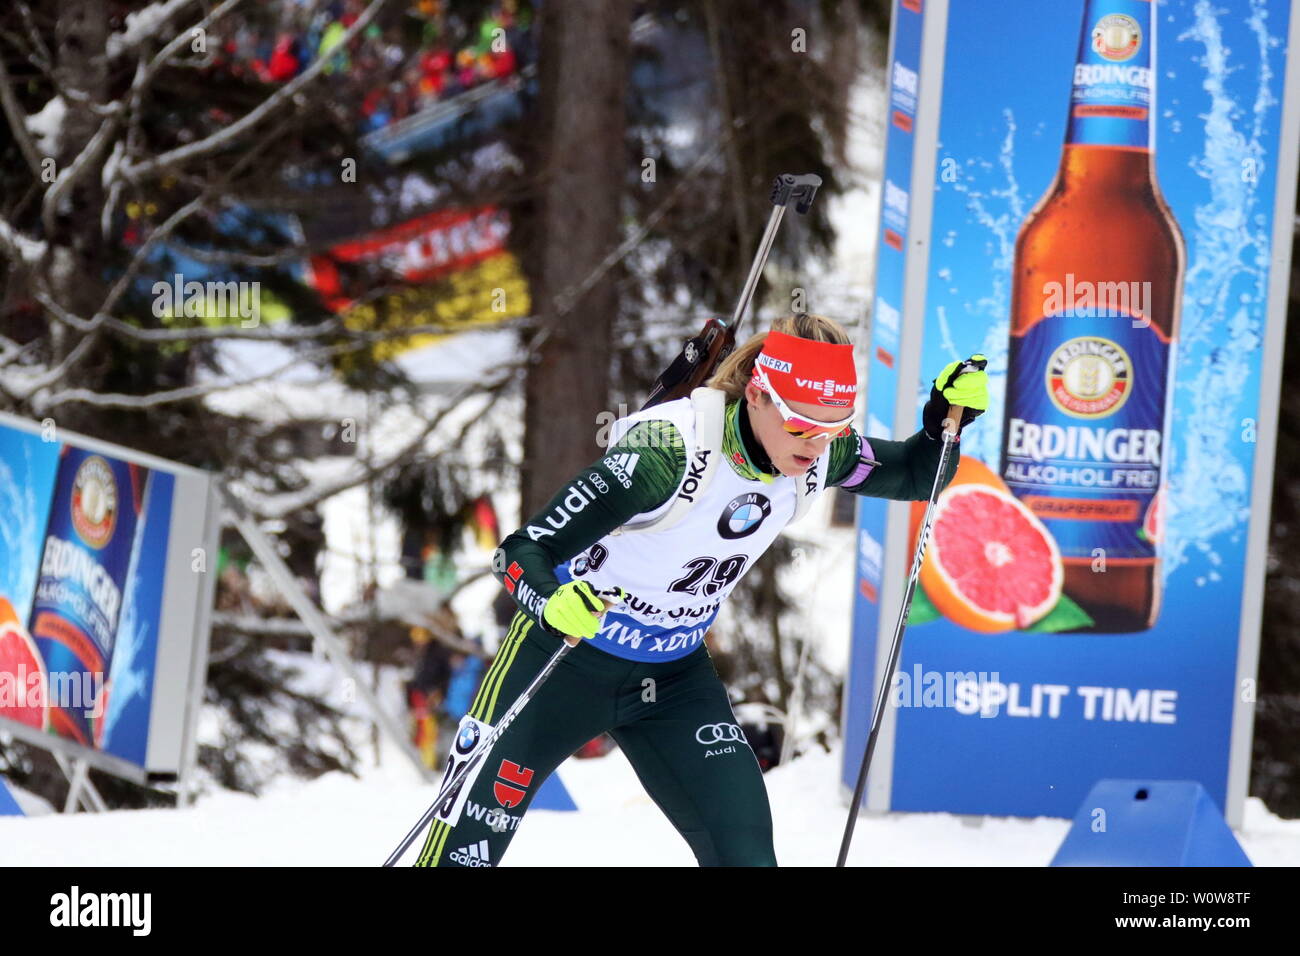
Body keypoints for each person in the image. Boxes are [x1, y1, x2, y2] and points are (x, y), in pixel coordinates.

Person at [414, 312, 989, 867]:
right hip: (561, 661)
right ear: (757, 394)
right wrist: (549, 602)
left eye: (833, 428)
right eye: (800, 425)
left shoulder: (817, 454)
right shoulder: (665, 455)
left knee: (747, 856)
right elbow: (520, 551)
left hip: (672, 676)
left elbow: (917, 475)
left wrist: (942, 423)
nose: (817, 445)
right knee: (464, 853)